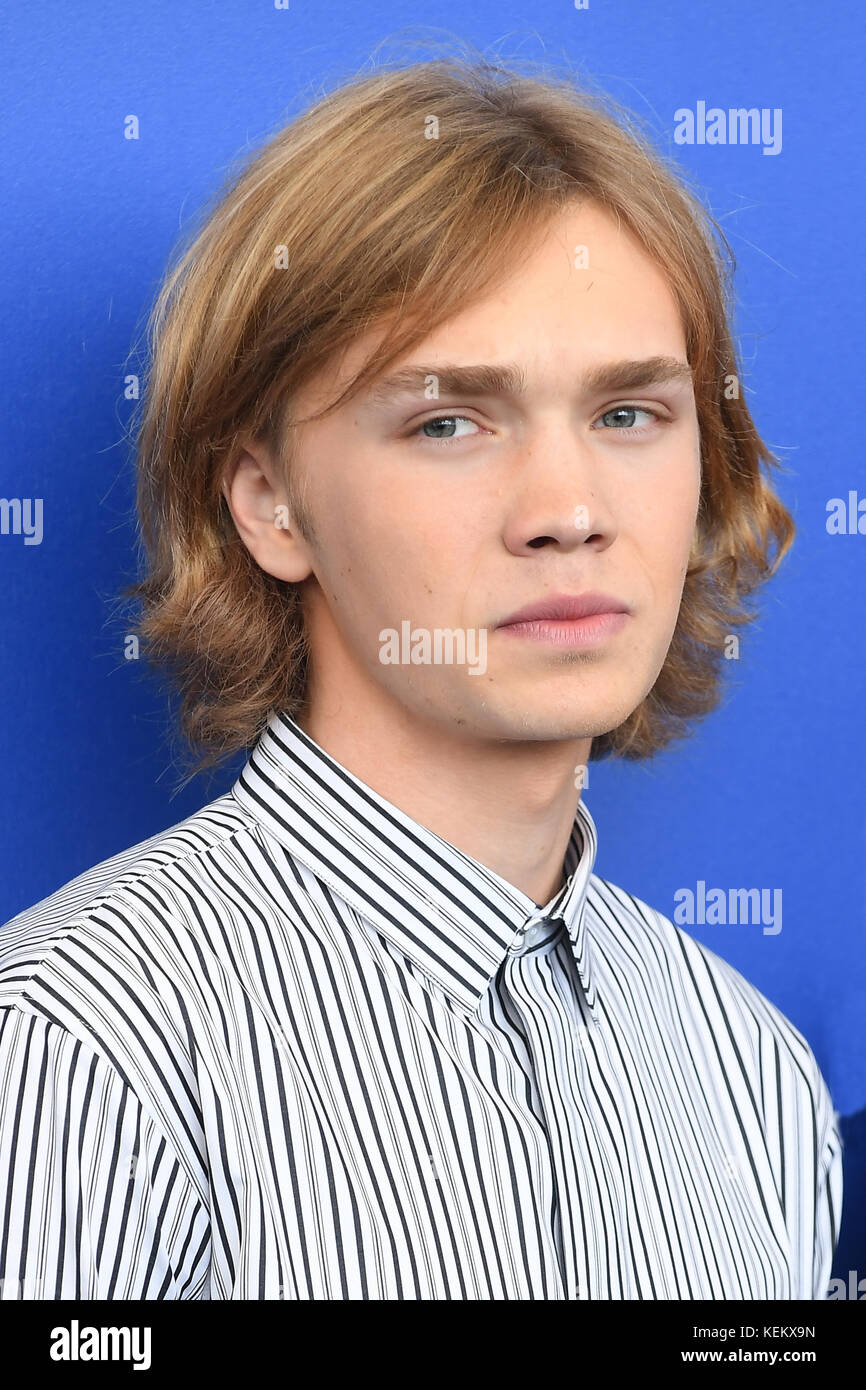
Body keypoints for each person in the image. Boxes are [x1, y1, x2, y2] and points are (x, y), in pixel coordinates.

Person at [0, 53, 842, 1300]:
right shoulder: (79, 1050)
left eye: (626, 415)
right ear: (270, 504)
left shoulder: (749, 1072)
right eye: (447, 420)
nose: (568, 510)